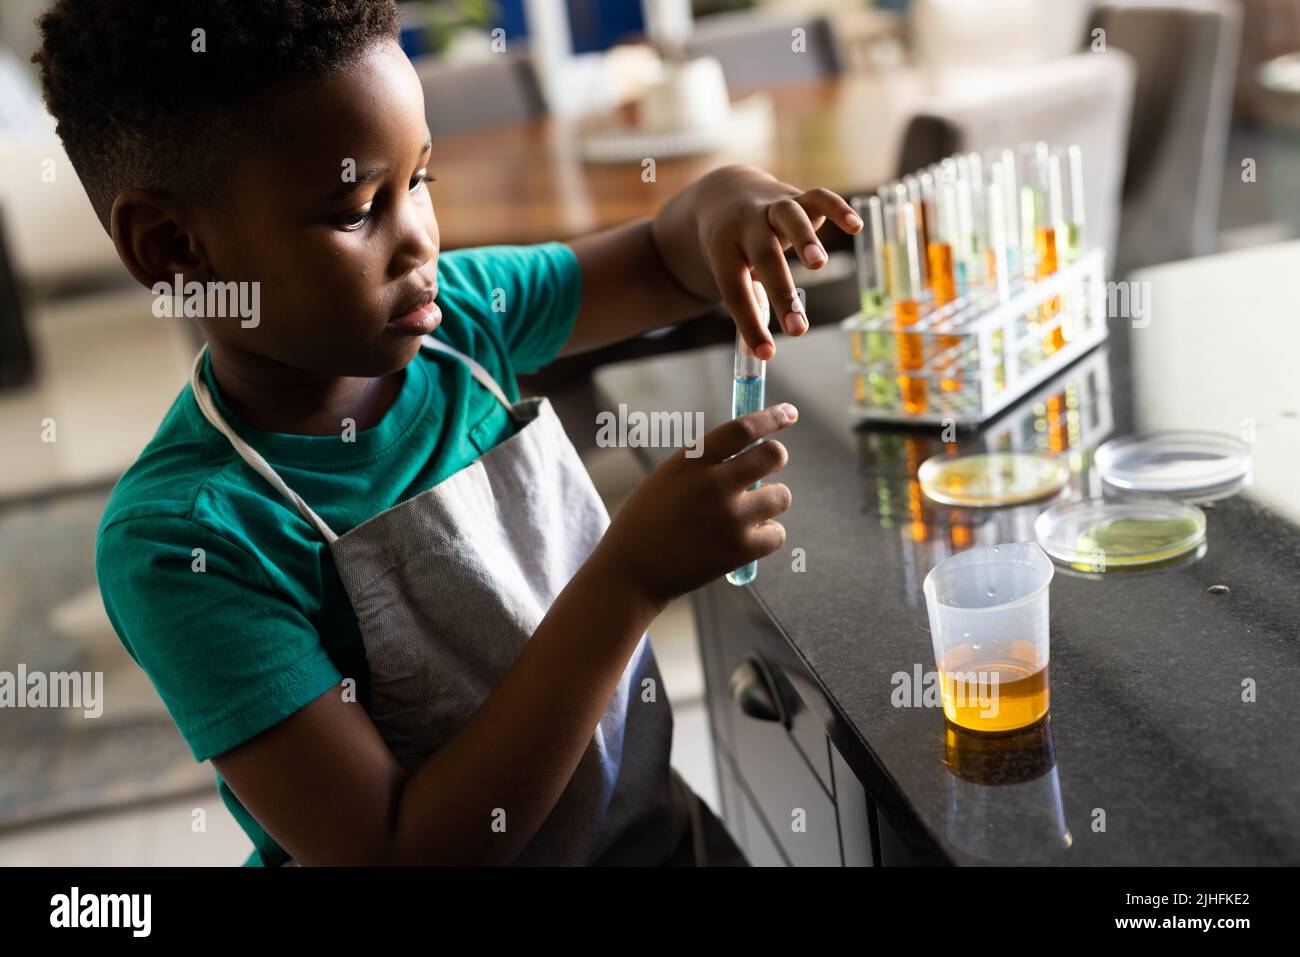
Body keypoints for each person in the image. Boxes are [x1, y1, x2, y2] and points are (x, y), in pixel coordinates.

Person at [33, 0, 861, 865]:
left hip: (654, 837)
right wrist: (629, 578)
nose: (421, 241)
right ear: (172, 248)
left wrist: (729, 202)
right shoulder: (188, 540)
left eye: (419, 180)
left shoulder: (462, 318)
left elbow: (662, 257)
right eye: (358, 211)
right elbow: (400, 850)